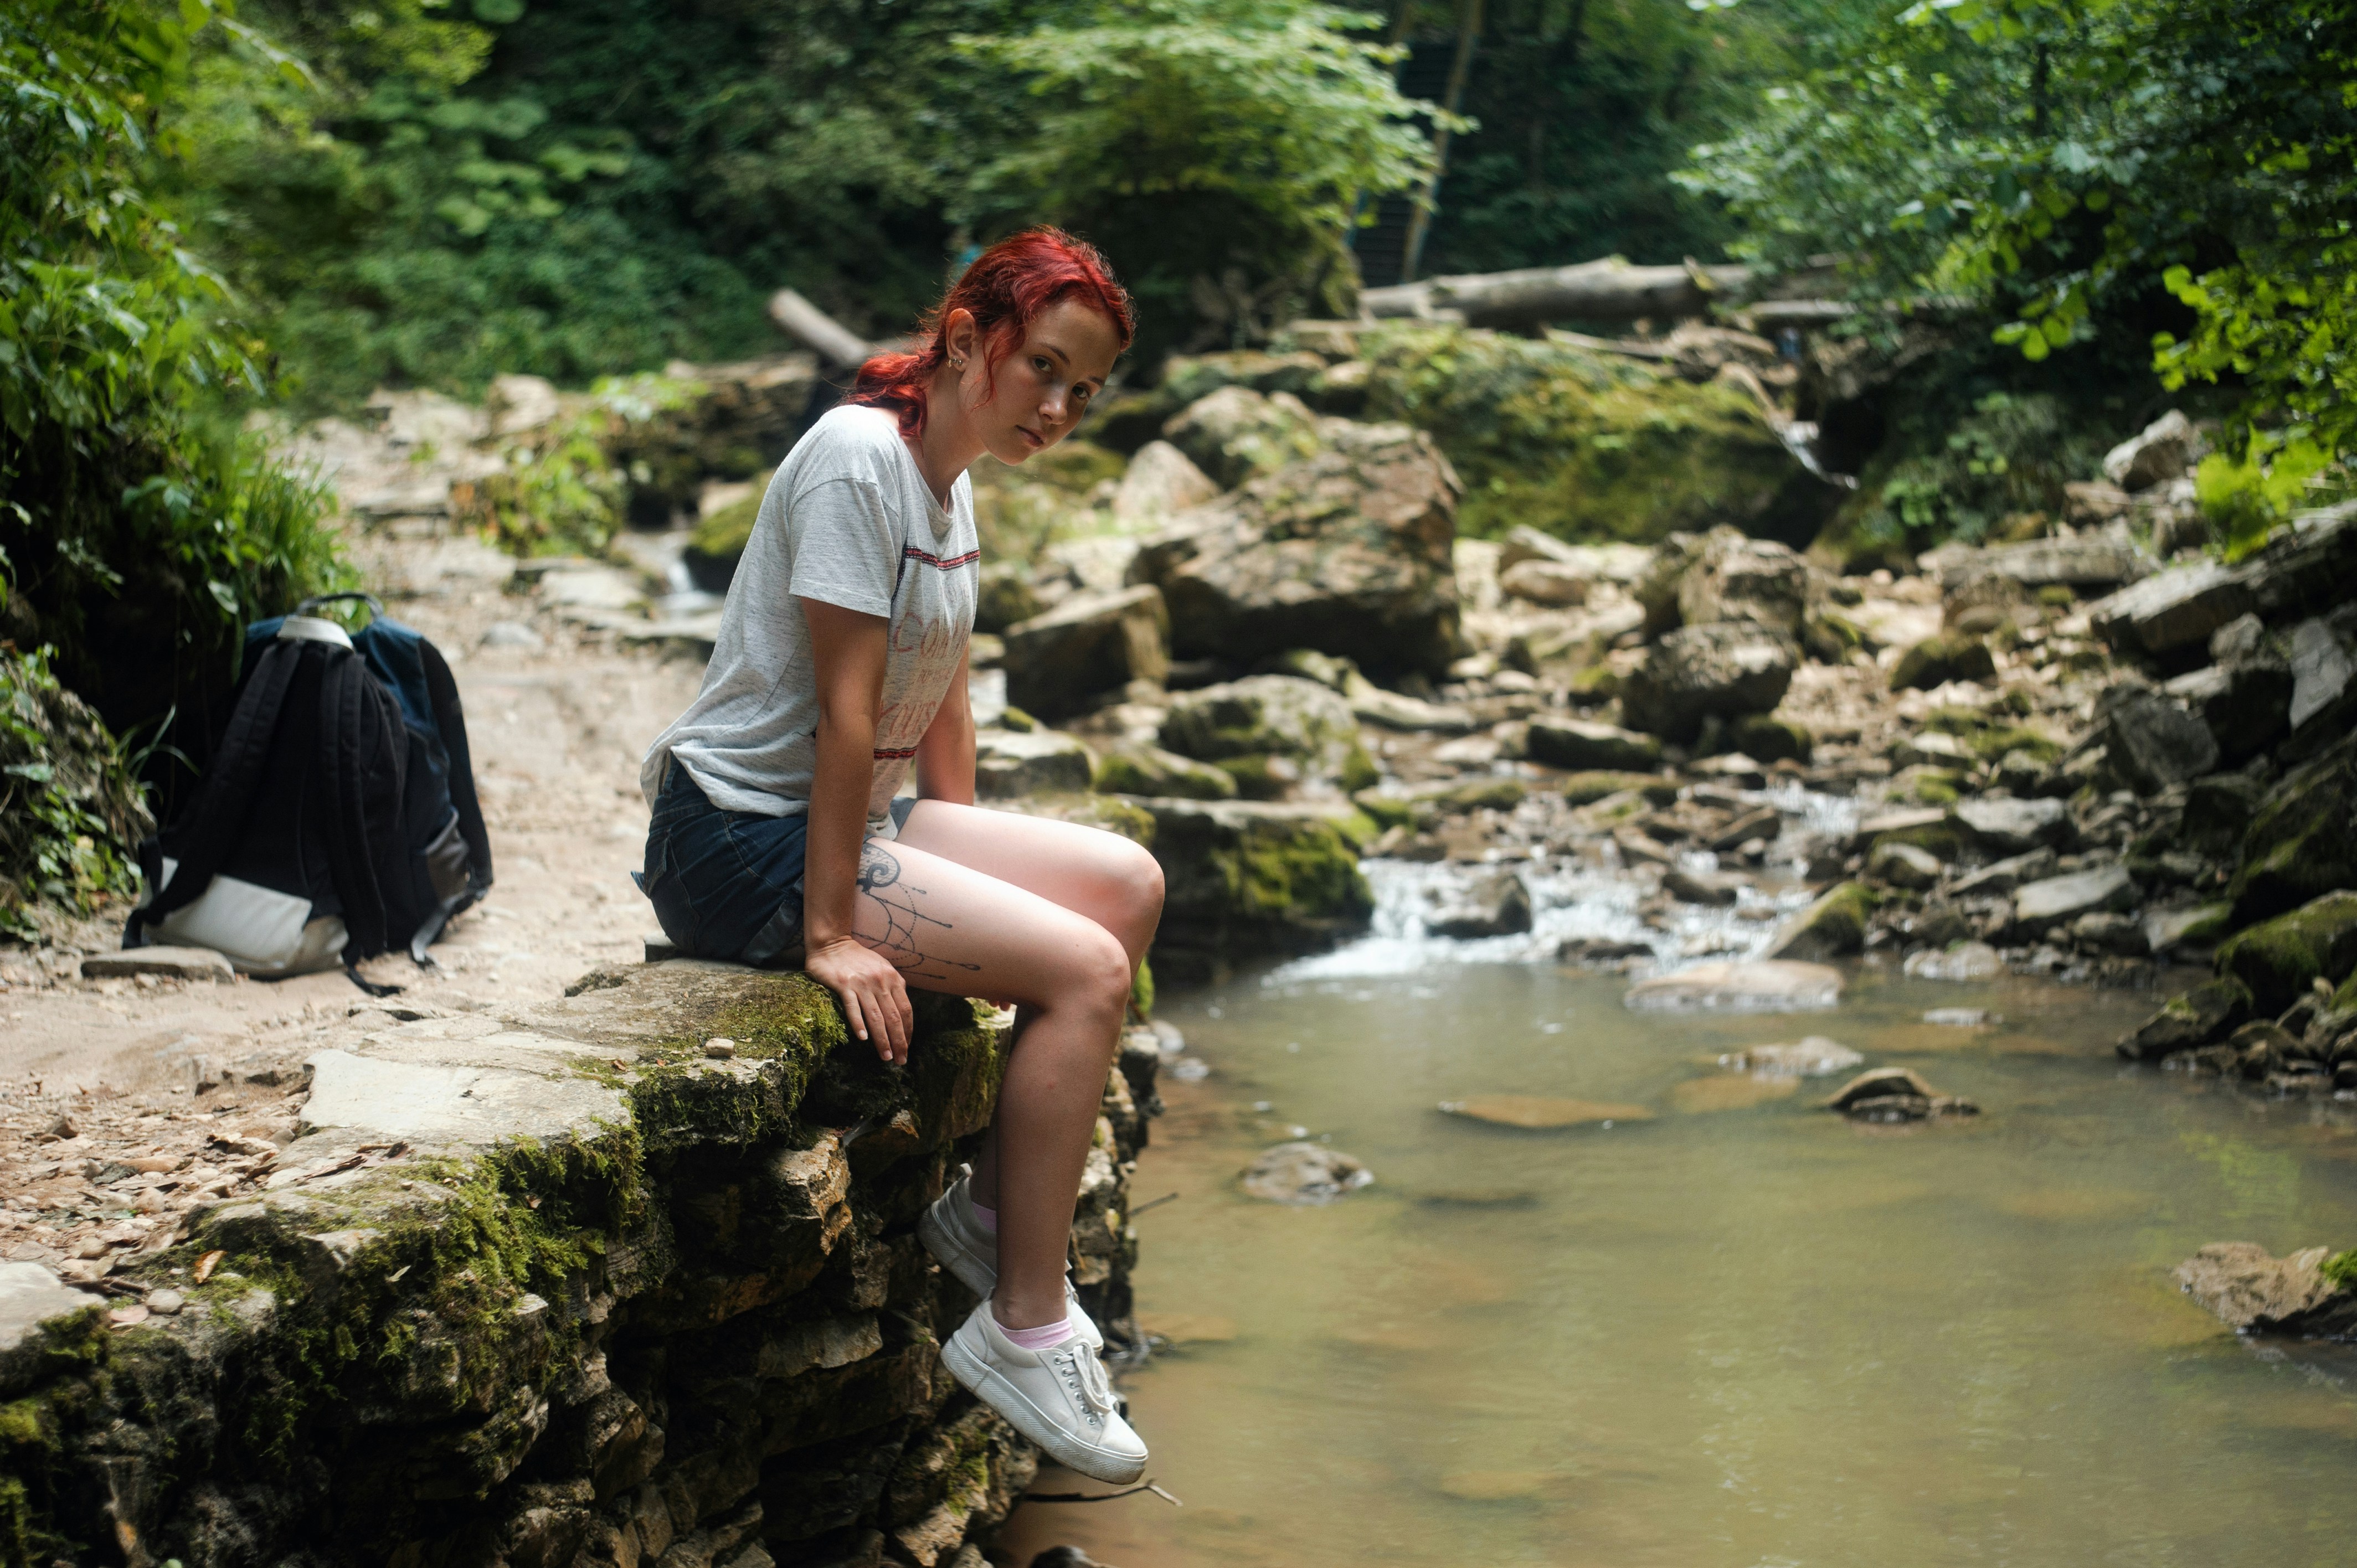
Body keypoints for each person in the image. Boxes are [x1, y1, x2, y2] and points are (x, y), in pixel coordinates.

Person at [635, 229, 1160, 1484]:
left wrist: (963, 878)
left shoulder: (950, 475)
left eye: (1083, 389)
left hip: (835, 824)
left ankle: (987, 1216)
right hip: (733, 841)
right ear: (969, 338)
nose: (1060, 406)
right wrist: (829, 936)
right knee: (1085, 973)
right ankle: (1025, 1329)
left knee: (1126, 883)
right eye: (1042, 368)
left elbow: (944, 701)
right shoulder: (858, 459)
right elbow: (850, 715)